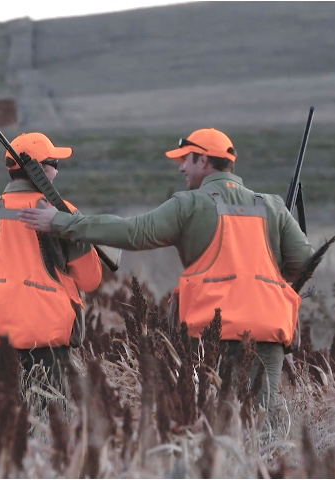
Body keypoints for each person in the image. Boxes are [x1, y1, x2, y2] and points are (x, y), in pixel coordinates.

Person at [18, 128, 313, 409]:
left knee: (214, 414)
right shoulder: (272, 206)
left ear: (204, 160)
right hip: (266, 327)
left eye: (186, 160)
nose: (181, 168)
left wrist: (62, 222)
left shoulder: (190, 204)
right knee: (263, 416)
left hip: (212, 329)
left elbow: (133, 232)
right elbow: (304, 261)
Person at [0, 132, 103, 389]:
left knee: (4, 424)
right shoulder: (64, 214)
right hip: (49, 343)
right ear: (42, 170)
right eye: (54, 164)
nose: (57, 169)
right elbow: (90, 281)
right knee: (50, 421)